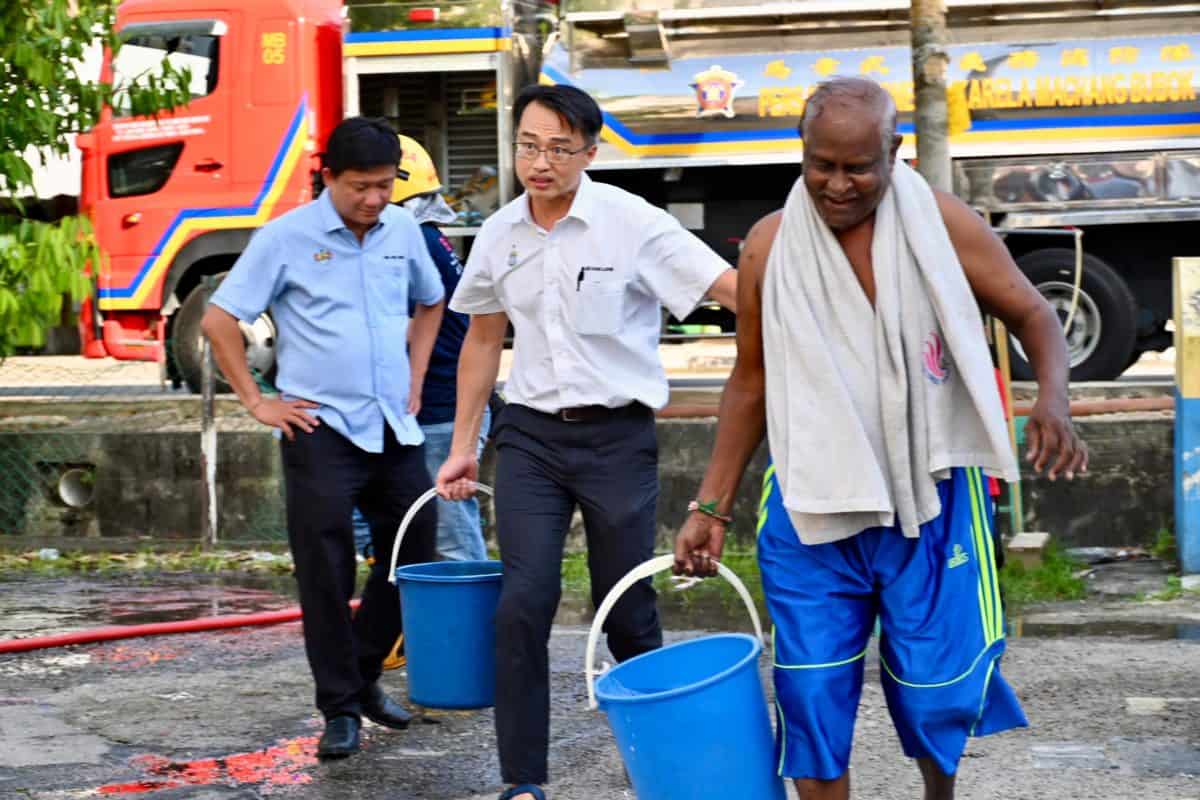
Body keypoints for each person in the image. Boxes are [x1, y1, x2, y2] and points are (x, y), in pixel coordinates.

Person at [673, 77, 1088, 800]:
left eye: (857, 167)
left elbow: (1033, 313)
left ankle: (938, 794)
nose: (837, 185)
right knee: (809, 702)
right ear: (801, 154)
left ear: (893, 153)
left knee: (938, 693)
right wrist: (710, 507)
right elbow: (749, 382)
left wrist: (1053, 398)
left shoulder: (945, 226)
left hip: (928, 495)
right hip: (811, 502)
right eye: (820, 165)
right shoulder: (770, 247)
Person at [436, 84, 737, 800]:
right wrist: (462, 442)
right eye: (528, 145)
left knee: (626, 607)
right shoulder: (502, 232)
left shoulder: (632, 223)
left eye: (559, 149)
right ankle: (523, 782)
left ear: (590, 153)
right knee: (521, 604)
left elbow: (732, 289)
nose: (540, 162)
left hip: (616, 440)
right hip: (531, 439)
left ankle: (657, 766)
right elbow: (483, 338)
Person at [201, 117, 444, 760]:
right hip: (319, 427)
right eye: (360, 186)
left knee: (414, 556)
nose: (373, 199)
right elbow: (219, 319)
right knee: (326, 570)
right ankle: (339, 707)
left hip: (394, 425)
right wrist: (257, 401)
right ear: (328, 176)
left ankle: (361, 675)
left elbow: (431, 301)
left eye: (385, 185)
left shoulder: (401, 231)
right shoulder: (286, 238)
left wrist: (416, 374)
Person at [353, 134, 493, 567]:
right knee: (391, 529)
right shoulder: (429, 239)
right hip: (425, 408)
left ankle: (471, 629)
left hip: (437, 410)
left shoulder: (410, 244)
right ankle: (415, 626)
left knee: (451, 537)